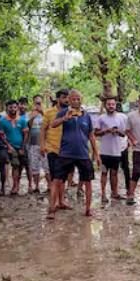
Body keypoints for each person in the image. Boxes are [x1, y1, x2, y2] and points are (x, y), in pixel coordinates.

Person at [48, 89, 99, 218]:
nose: (76, 101)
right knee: (57, 180)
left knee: (88, 181)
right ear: (69, 100)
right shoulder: (63, 112)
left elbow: (91, 135)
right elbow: (52, 124)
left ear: (81, 100)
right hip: (65, 153)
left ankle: (88, 209)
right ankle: (52, 209)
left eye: (78, 99)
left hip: (83, 154)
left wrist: (96, 154)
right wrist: (64, 119)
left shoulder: (86, 116)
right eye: (73, 99)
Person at [40, 89, 71, 215]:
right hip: (52, 148)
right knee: (55, 177)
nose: (66, 100)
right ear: (58, 98)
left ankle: (61, 201)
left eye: (67, 98)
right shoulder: (48, 112)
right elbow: (43, 130)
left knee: (63, 177)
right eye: (64, 97)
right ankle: (54, 204)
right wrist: (42, 145)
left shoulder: (71, 112)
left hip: (66, 149)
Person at [95, 96, 127, 202]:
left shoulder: (121, 118)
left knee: (114, 173)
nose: (111, 106)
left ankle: (114, 193)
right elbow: (95, 133)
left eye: (113, 104)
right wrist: (106, 131)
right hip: (104, 151)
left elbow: (124, 134)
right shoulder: (101, 118)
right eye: (109, 104)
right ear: (105, 106)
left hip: (116, 151)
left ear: (115, 105)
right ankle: (103, 194)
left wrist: (117, 131)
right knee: (104, 172)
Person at [0, 100, 29, 195]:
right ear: (7, 108)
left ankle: (17, 185)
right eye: (10, 107)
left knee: (19, 166)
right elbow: (2, 135)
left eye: (14, 107)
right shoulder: (3, 120)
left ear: (17, 108)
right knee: (9, 164)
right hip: (8, 146)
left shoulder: (22, 120)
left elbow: (25, 134)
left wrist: (22, 147)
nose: (13, 109)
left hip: (19, 146)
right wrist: (8, 146)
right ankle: (7, 186)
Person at [27, 94, 47, 193]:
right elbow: (28, 127)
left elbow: (50, 125)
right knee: (35, 167)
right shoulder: (30, 114)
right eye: (36, 102)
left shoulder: (46, 113)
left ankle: (50, 186)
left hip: (45, 144)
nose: (38, 104)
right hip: (33, 143)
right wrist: (33, 116)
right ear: (33, 103)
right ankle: (37, 186)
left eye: (40, 102)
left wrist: (42, 112)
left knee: (47, 166)